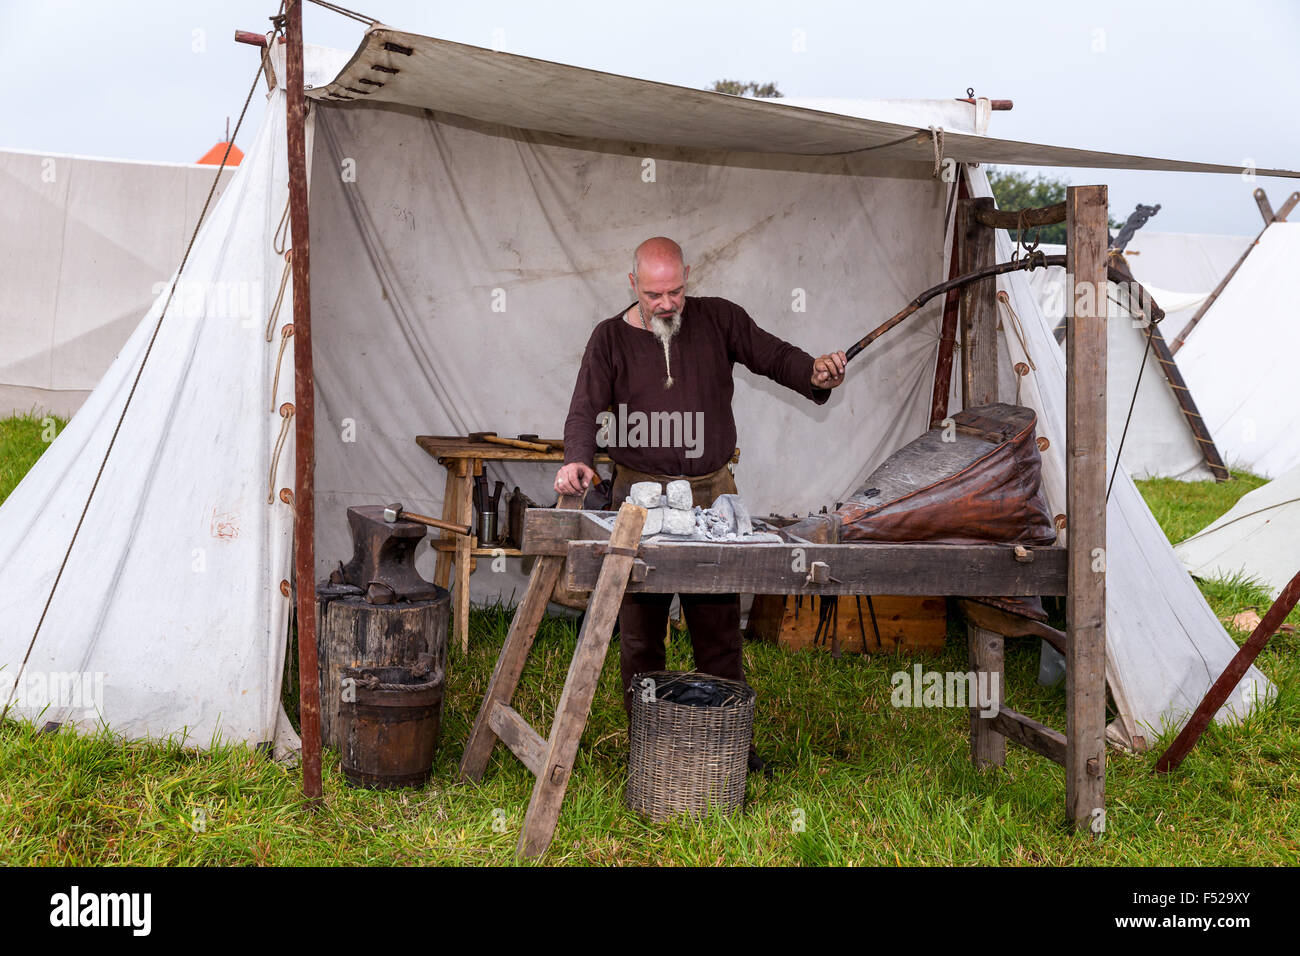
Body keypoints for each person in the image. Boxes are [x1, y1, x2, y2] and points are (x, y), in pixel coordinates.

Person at [554, 237, 847, 768]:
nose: (666, 303)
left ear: (688, 276)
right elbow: (583, 411)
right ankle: (650, 745)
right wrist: (577, 458)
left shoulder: (719, 320)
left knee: (718, 632)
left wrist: (812, 372)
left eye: (676, 291)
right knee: (640, 639)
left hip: (712, 496)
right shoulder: (609, 339)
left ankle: (730, 748)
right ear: (632, 285)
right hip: (637, 501)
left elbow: (774, 356)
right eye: (653, 294)